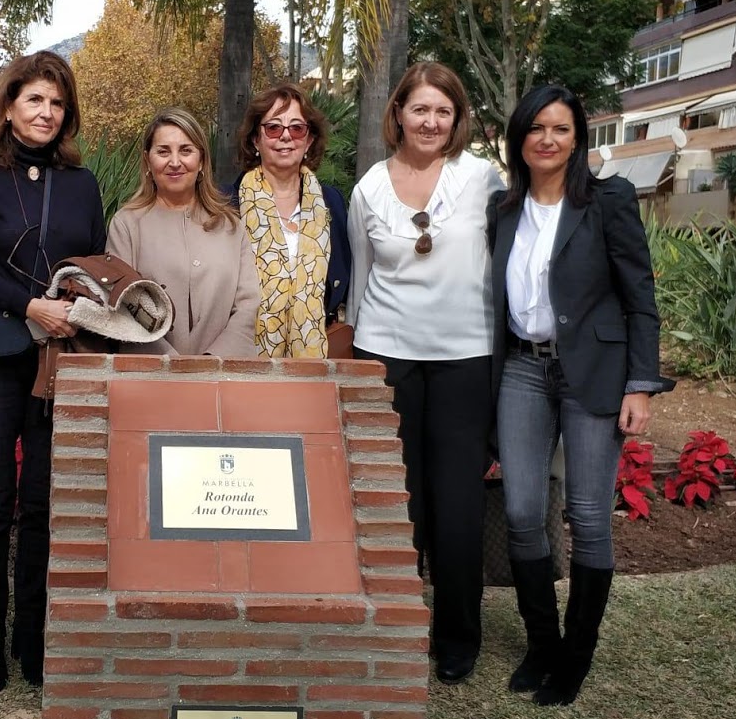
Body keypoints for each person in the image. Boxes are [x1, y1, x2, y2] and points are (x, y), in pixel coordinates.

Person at [489, 84, 671, 706]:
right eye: (535, 128)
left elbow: (639, 296)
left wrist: (641, 385)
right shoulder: (503, 209)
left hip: (595, 371)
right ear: (519, 137)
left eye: (560, 129)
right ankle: (542, 645)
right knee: (520, 511)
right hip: (522, 369)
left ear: (578, 138)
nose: (547, 139)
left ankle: (576, 656)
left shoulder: (608, 201)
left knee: (589, 515)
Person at [347, 62, 504, 683]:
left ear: (456, 118)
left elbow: (501, 266)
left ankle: (458, 635)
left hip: (466, 356)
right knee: (397, 503)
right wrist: (360, 360)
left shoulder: (481, 180)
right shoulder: (369, 188)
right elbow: (362, 278)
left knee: (459, 503)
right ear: (399, 114)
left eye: (443, 111)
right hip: (389, 358)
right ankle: (396, 629)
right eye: (420, 109)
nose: (431, 121)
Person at [0, 51, 106, 693]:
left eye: (56, 102)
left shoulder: (83, 183)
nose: (46, 112)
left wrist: (76, 306)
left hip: (58, 361)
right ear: (9, 106)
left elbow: (95, 262)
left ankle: (33, 638)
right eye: (34, 99)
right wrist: (31, 305)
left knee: (44, 504)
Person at [107, 107, 261, 358]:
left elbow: (247, 305)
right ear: (147, 160)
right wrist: (172, 366)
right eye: (163, 151)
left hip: (222, 378)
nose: (175, 162)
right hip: (150, 379)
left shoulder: (231, 226)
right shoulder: (126, 225)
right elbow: (124, 305)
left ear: (201, 161)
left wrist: (212, 362)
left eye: (186, 150)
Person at [230, 85, 350, 358]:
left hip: (314, 359)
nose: (286, 136)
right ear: (254, 140)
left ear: (308, 141)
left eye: (297, 128)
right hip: (241, 354)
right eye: (273, 128)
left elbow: (342, 277)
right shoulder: (227, 203)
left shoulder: (332, 202)